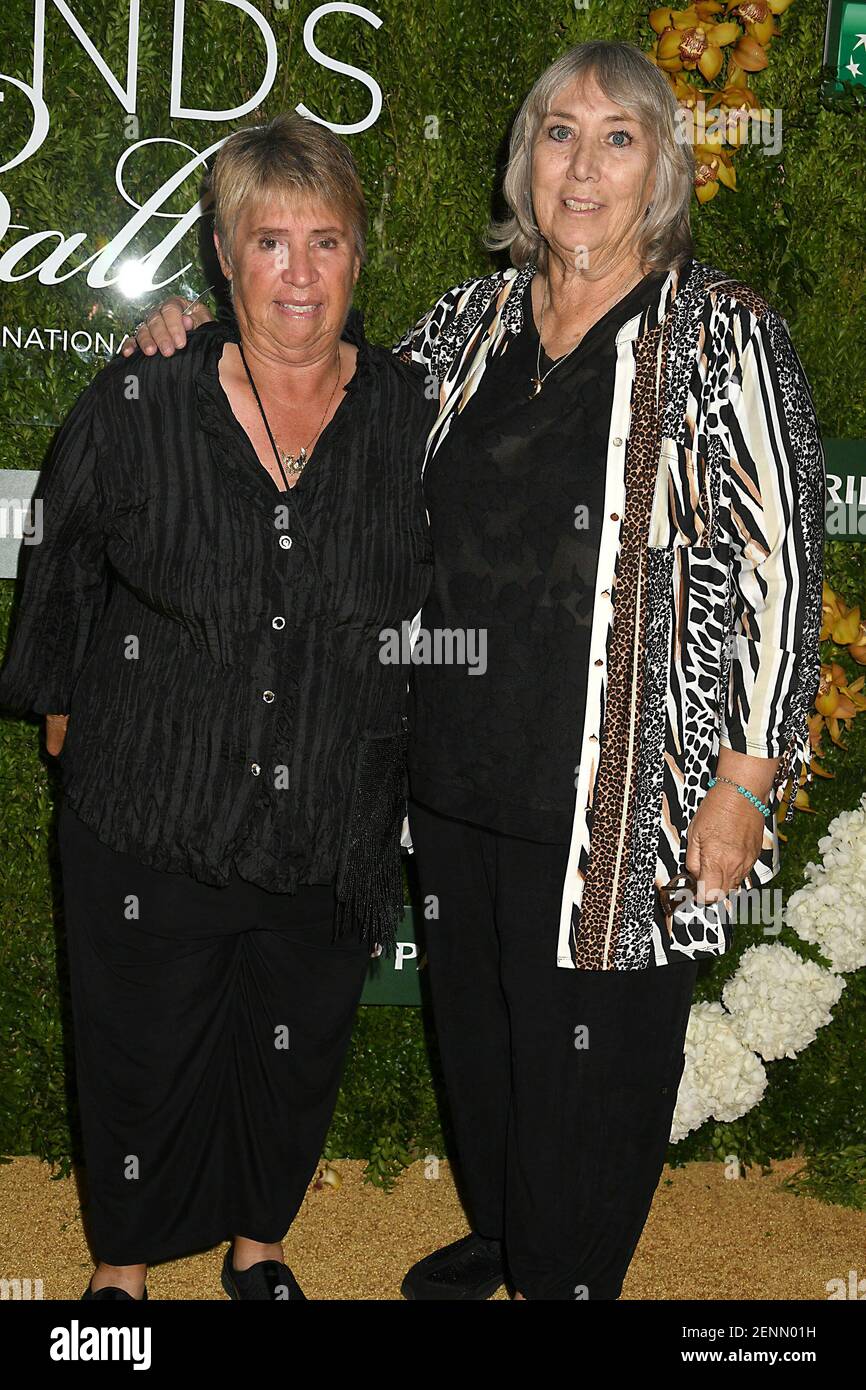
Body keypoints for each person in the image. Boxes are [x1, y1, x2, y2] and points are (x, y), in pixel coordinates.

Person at [126, 40, 824, 1300]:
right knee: (488, 1046)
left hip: (626, 787)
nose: (582, 165)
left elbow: (780, 570)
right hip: (452, 771)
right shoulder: (470, 320)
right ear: (524, 159)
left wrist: (744, 782)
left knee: (591, 1067)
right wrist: (193, 336)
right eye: (558, 132)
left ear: (659, 165)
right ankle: (506, 1234)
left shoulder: (722, 336)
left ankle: (564, 1274)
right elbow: (332, 396)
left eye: (617, 137)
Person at [0, 113, 433, 1302]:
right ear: (223, 258)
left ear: (358, 257)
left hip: (329, 812)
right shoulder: (144, 399)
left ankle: (259, 1247)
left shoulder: (411, 416)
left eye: (326, 242)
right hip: (154, 800)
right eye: (270, 243)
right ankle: (120, 1270)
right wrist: (61, 717)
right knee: (139, 1053)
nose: (299, 274)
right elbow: (61, 554)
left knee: (287, 1053)